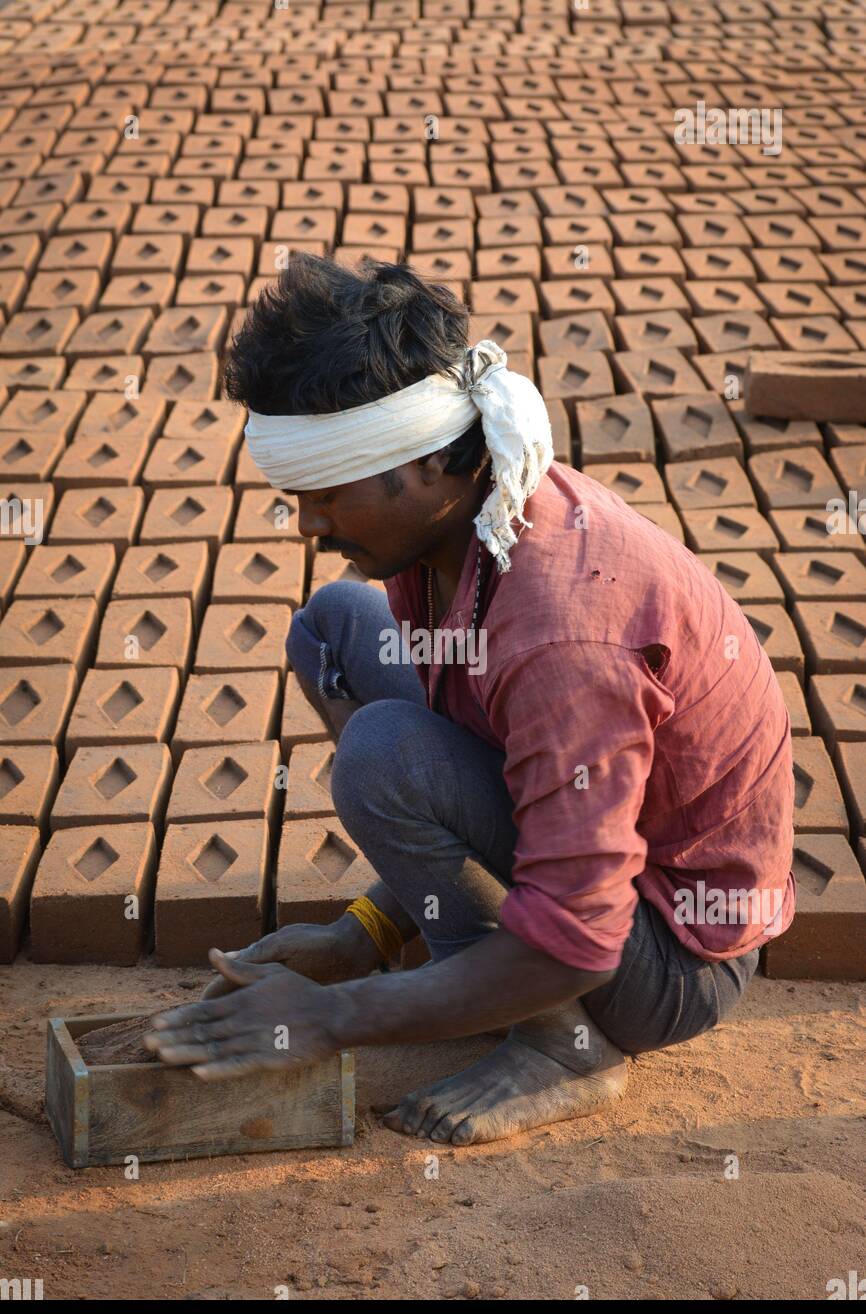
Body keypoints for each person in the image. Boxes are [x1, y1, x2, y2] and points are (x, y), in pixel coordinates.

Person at [146, 254, 796, 1148]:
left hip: (670, 954)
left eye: (327, 495)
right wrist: (364, 932)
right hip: (589, 840)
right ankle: (459, 936)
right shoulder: (459, 526)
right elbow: (475, 741)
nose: (306, 527)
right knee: (332, 629)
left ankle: (564, 1047)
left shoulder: (564, 632)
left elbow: (582, 936)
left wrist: (336, 1016)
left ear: (426, 464)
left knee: (383, 754)